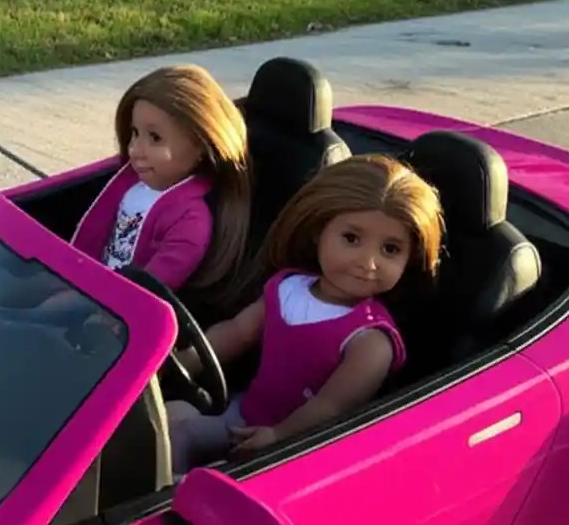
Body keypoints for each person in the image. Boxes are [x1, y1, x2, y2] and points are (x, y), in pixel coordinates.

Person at [167, 154, 444, 476]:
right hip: (244, 415)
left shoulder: (371, 340)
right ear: (318, 232)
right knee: (172, 429)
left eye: (390, 249)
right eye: (351, 239)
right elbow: (238, 331)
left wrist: (278, 436)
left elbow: (332, 407)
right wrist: (180, 362)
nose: (368, 262)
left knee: (205, 478)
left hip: (290, 452)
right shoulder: (288, 286)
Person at [71, 63, 251, 300]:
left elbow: (151, 291)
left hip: (116, 312)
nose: (135, 149)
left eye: (155, 138)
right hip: (88, 283)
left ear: (200, 147)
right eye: (135, 133)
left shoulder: (190, 221)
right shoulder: (132, 182)